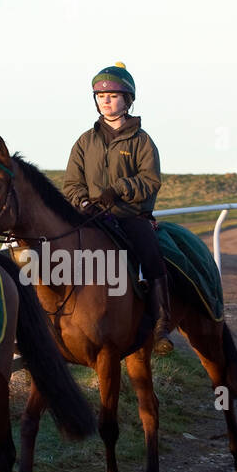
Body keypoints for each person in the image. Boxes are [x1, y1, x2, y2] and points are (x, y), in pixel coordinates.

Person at [64, 62, 170, 339]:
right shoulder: (84, 142)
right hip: (91, 217)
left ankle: (160, 323)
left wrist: (119, 189)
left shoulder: (142, 141)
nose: (106, 101)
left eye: (112, 96)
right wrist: (83, 202)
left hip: (130, 215)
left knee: (150, 254)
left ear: (128, 100)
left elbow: (150, 181)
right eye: (100, 96)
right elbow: (72, 183)